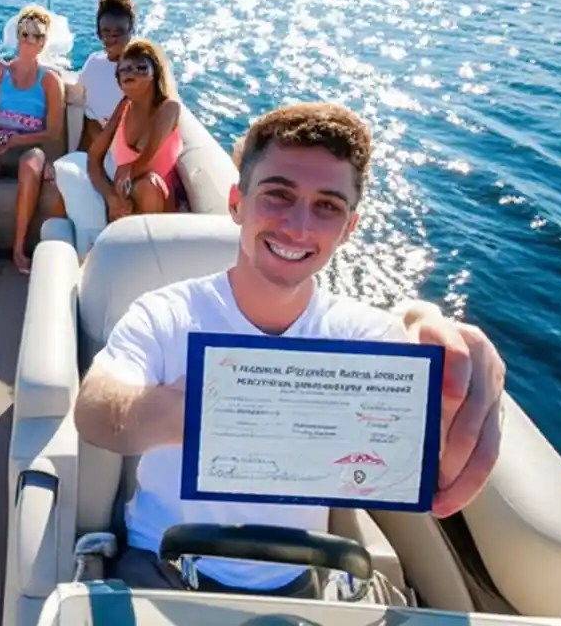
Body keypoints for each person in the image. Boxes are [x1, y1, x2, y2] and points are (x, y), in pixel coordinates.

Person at [73, 103, 506, 601]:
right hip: (163, 568)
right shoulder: (168, 313)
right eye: (278, 194)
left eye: (327, 206)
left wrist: (436, 334)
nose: (298, 227)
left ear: (349, 228)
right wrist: (205, 415)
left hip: (307, 576)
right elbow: (97, 409)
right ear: (237, 203)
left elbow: (438, 464)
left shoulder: (362, 338)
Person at [0, 4, 65, 278]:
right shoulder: (0, 73)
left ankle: (19, 250)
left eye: (38, 36)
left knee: (30, 167)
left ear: (44, 42)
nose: (30, 41)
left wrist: (16, 141)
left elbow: (53, 132)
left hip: (29, 145)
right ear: (17, 36)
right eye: (25, 34)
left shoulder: (50, 80)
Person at [53, 38, 185, 256]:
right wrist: (111, 197)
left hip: (155, 196)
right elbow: (93, 156)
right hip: (122, 189)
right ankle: (72, 254)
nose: (130, 72)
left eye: (141, 68)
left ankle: (137, 259)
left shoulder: (168, 108)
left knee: (147, 186)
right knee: (65, 183)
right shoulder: (124, 106)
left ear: (155, 73)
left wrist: (127, 172)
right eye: (123, 70)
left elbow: (147, 160)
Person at [76, 0, 138, 152]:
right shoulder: (93, 63)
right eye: (106, 31)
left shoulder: (142, 71)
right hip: (95, 150)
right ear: (98, 33)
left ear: (132, 31)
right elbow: (87, 118)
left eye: (119, 32)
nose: (112, 37)